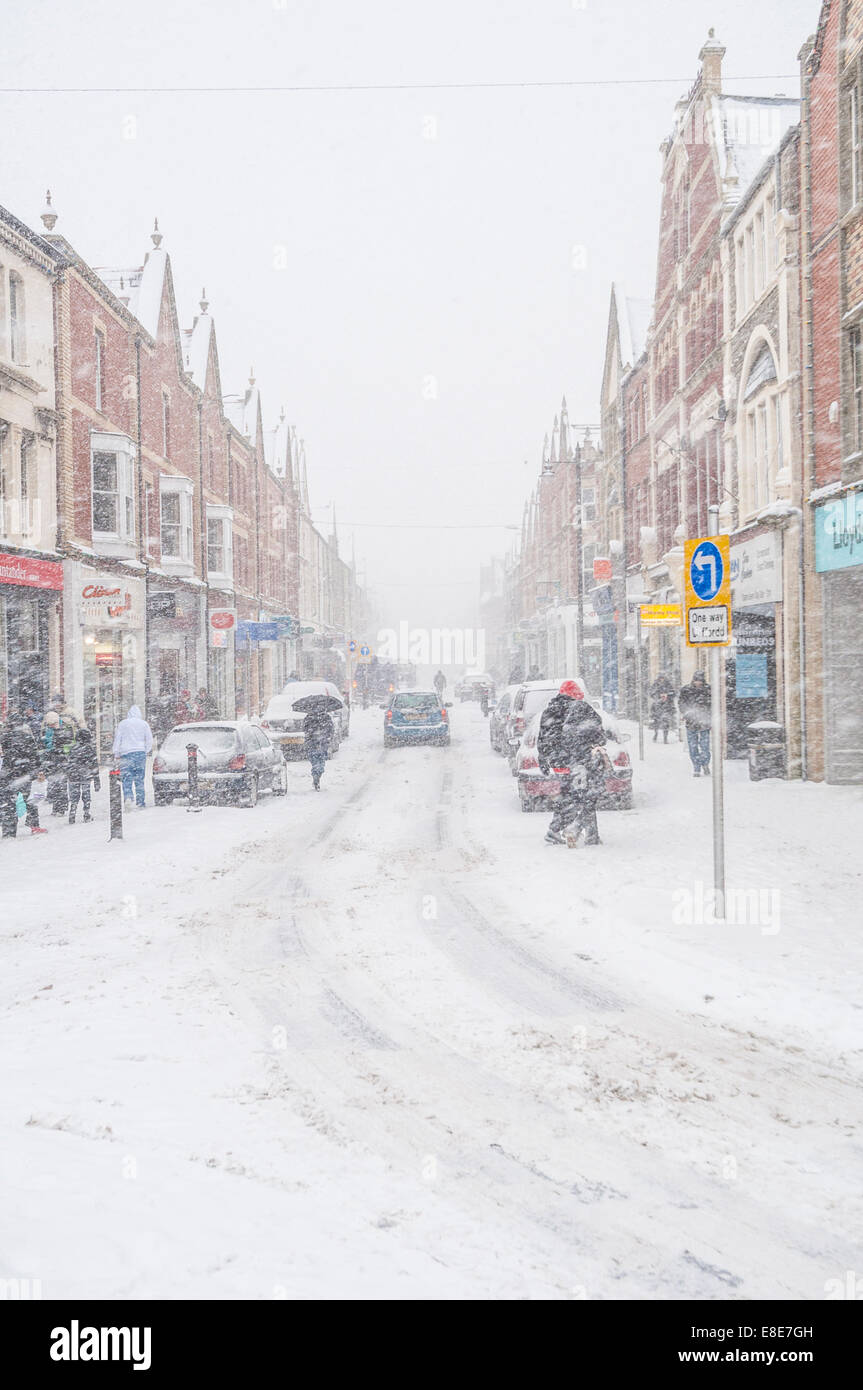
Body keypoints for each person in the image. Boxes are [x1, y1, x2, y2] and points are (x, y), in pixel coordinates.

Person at [538, 680, 607, 846]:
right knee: (586, 796)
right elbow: (595, 732)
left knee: (569, 794)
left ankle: (563, 831)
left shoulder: (550, 711)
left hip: (558, 761)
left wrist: (544, 759)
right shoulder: (580, 709)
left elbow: (542, 737)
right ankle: (582, 832)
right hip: (577, 760)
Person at [0, 715, 47, 838]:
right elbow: (35, 756)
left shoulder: (5, 737)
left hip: (8, 774)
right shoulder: (27, 738)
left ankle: (8, 831)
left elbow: (4, 753)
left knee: (8, 803)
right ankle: (34, 826)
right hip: (25, 774)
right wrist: (38, 769)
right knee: (31, 800)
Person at [112, 704, 154, 807]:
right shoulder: (144, 724)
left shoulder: (123, 724)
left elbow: (118, 739)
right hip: (140, 753)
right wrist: (145, 750)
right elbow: (149, 740)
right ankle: (140, 802)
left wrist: (116, 753)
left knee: (126, 778)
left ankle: (128, 798)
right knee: (139, 779)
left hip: (126, 754)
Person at [678, 670, 712, 776]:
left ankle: (705, 764)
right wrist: (686, 712)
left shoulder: (708, 690)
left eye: (700, 681)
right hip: (691, 722)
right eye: (696, 681)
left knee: (705, 746)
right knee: (693, 747)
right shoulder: (686, 690)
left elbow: (712, 704)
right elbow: (681, 703)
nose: (698, 683)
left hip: (704, 722)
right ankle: (696, 767)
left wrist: (709, 715)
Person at [66, 727, 101, 823]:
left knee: (74, 796)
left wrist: (68, 773)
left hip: (73, 775)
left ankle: (72, 812)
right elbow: (94, 765)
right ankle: (86, 813)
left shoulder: (73, 748)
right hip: (85, 774)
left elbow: (68, 762)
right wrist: (97, 780)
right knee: (86, 794)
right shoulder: (90, 749)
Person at [303, 707, 334, 790]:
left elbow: (305, 730)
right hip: (316, 745)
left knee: (317, 764)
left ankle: (316, 778)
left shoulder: (309, 718)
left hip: (317, 745)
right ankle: (316, 778)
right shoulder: (324, 718)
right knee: (319, 764)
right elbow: (331, 731)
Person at [649, 672, 676, 744]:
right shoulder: (655, 685)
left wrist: (667, 695)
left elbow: (673, 693)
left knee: (665, 722)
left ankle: (665, 737)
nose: (662, 680)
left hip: (667, 706)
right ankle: (656, 733)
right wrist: (658, 696)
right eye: (660, 678)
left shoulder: (668, 685)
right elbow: (651, 693)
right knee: (656, 721)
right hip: (657, 706)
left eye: (663, 678)